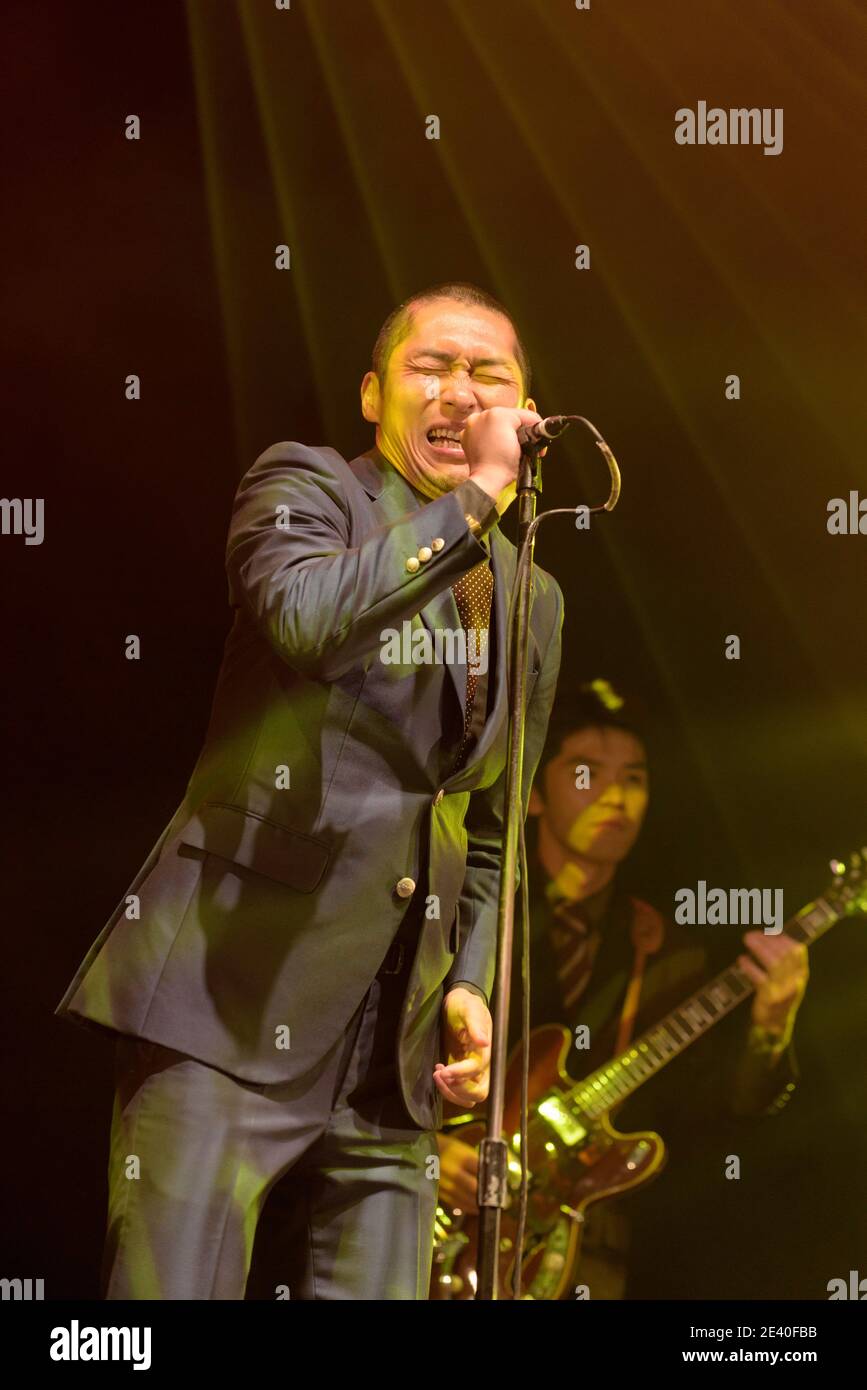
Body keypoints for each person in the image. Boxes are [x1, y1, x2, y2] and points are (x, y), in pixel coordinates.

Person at [55, 282, 564, 1300]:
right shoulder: (307, 487)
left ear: (526, 409)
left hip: (395, 1050)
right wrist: (471, 508)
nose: (463, 391)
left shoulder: (533, 595)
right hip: (231, 994)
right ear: (375, 394)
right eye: (435, 367)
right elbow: (305, 619)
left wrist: (465, 984)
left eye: (489, 375)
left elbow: (493, 819)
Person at [434, 681, 809, 1298]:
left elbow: (720, 1111)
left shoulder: (667, 946)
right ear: (531, 796)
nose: (616, 795)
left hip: (585, 1257)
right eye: (586, 773)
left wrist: (773, 1025)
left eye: (634, 778)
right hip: (439, 1227)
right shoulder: (472, 917)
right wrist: (429, 1156)